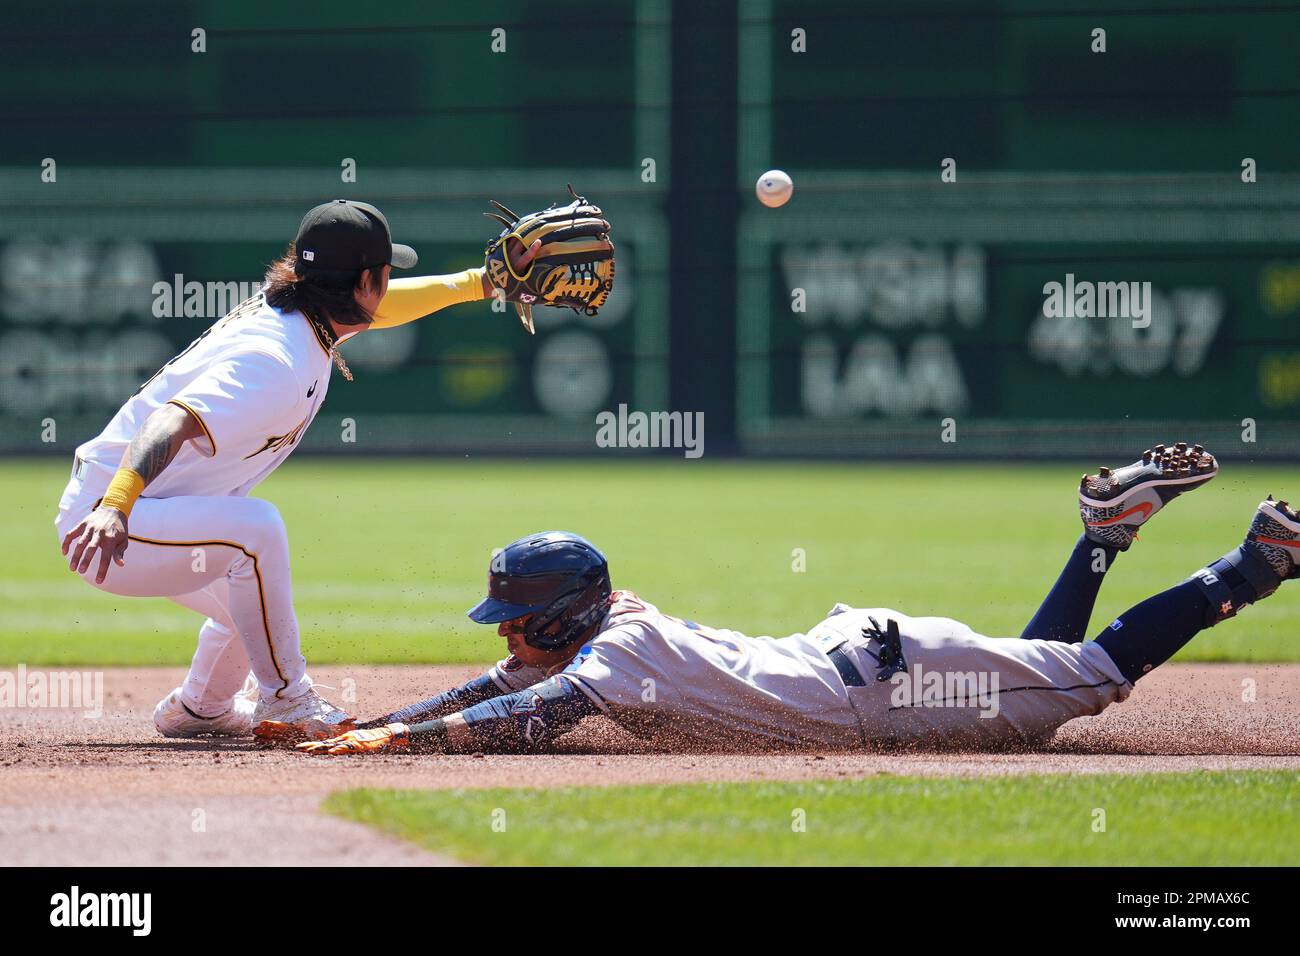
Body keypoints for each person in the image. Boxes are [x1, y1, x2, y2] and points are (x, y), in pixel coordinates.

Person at [285, 442, 1298, 755]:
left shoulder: (608, 660)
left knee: (1095, 676)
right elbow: (487, 686)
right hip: (864, 665)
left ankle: (1255, 561)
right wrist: (377, 718)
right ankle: (1103, 536)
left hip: (888, 689)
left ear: (560, 614)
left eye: (515, 614)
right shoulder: (608, 634)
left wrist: (395, 745)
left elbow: (522, 716)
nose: (505, 630)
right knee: (1033, 701)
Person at [56, 199, 539, 739]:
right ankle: (289, 700)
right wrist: (116, 507)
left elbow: (381, 306)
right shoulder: (275, 360)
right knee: (255, 531)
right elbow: (169, 421)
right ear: (362, 282)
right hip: (108, 525)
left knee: (257, 602)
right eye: (383, 274)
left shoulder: (302, 313)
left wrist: (483, 282)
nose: (385, 287)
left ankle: (202, 708)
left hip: (145, 512)